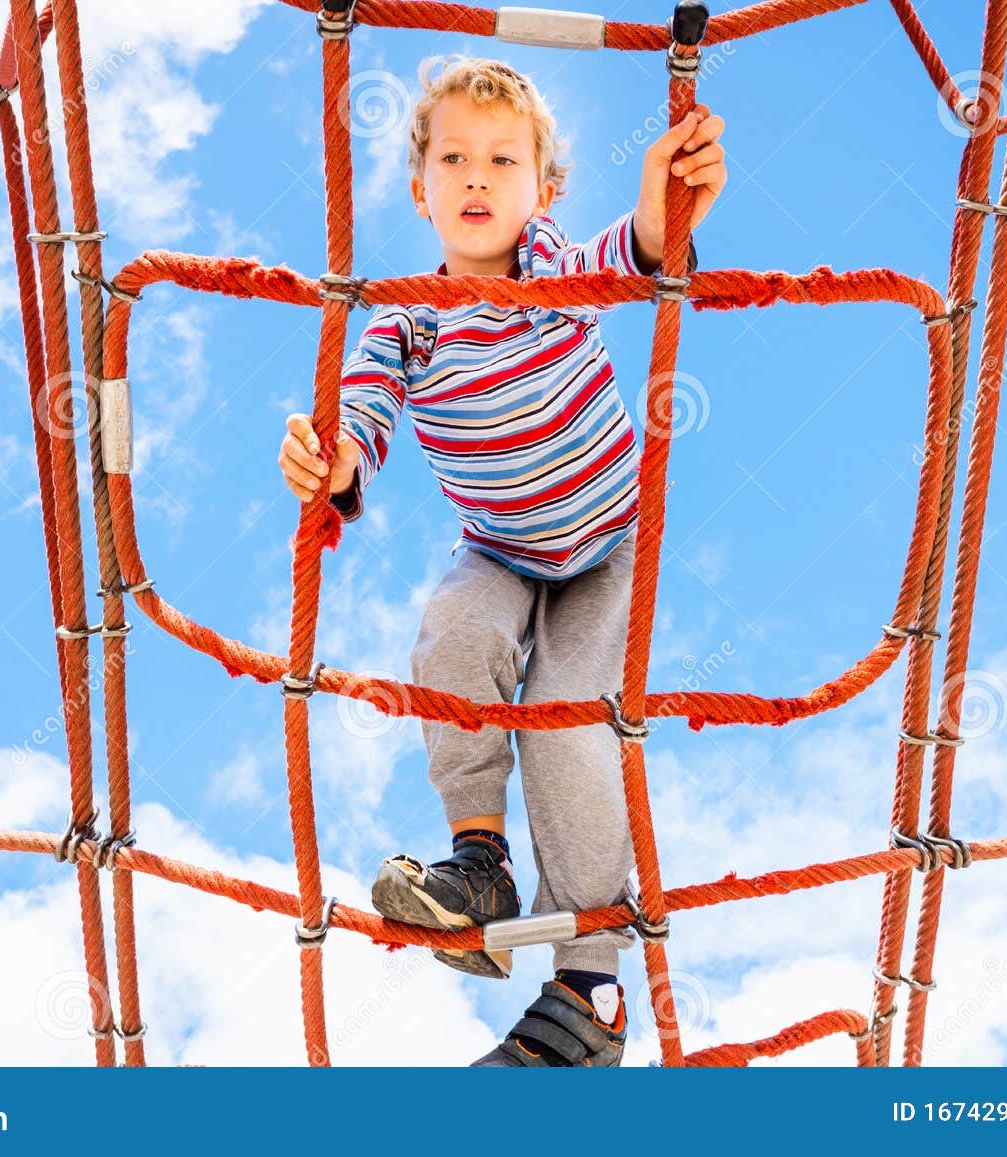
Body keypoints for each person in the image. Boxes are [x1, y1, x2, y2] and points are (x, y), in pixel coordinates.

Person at [277, 54, 725, 1066]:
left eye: (502, 160)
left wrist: (665, 209)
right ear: (418, 186)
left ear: (543, 189)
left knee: (569, 724)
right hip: (503, 547)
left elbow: (637, 252)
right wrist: (331, 457)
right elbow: (363, 420)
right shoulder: (400, 317)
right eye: (453, 159)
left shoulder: (554, 271)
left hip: (610, 544)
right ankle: (479, 862)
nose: (476, 178)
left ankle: (592, 986)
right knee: (453, 631)